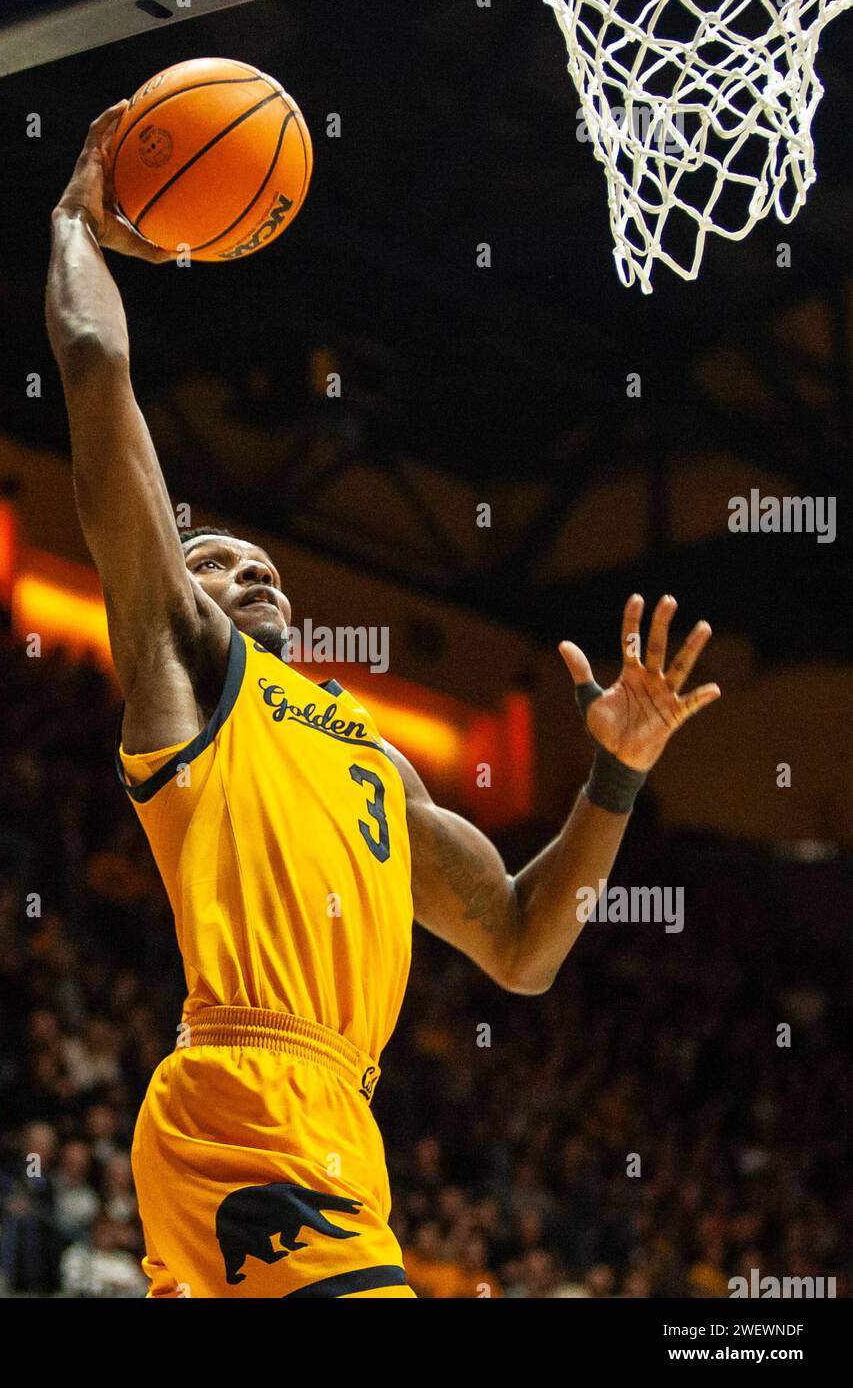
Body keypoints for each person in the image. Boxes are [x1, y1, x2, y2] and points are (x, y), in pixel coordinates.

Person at [45, 103, 721, 1299]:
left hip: (336, 1112)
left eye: (266, 565)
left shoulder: (371, 761)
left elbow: (520, 946)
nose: (250, 570)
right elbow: (100, 375)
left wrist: (612, 773)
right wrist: (75, 226)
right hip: (245, 1098)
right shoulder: (191, 671)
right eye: (215, 560)